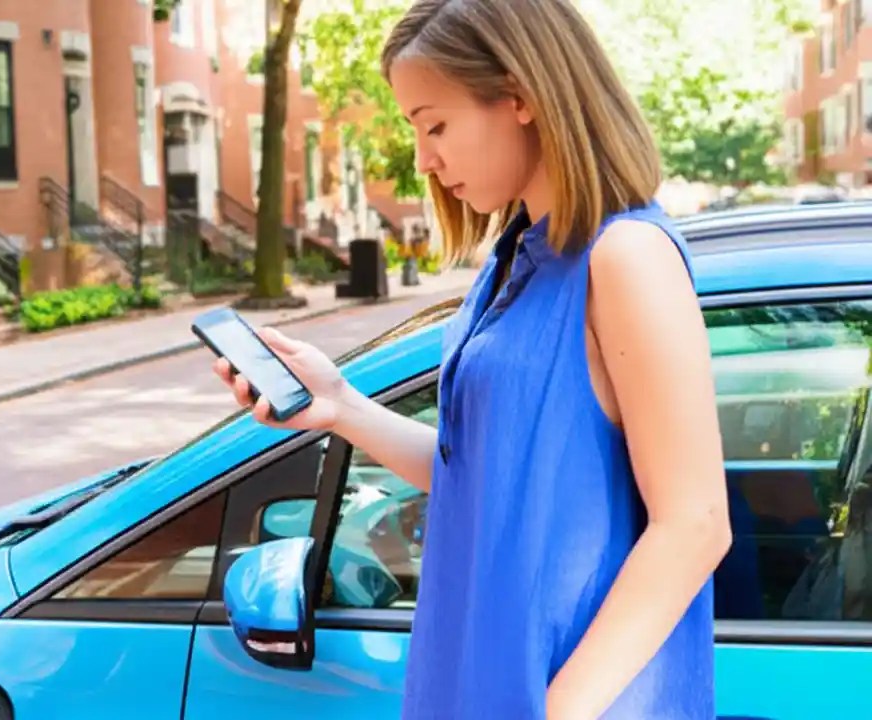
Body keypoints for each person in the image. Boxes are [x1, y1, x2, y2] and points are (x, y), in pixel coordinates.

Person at [212, 0, 731, 717]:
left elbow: (697, 522)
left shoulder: (626, 256)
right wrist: (341, 407)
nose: (424, 158)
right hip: (479, 680)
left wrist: (553, 711)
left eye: (436, 125)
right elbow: (481, 475)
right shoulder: (516, 260)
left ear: (519, 94)